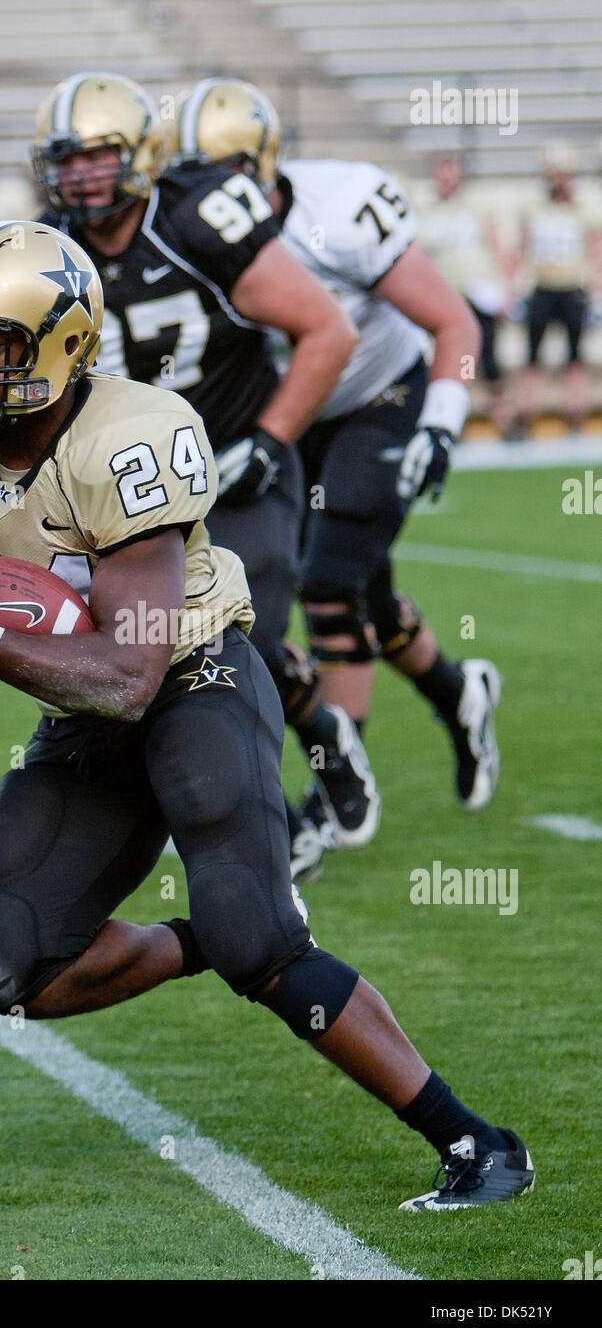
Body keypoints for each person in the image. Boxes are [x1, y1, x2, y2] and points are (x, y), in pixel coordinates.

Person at [0, 218, 534, 1211]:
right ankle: (201, 944)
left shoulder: (129, 436)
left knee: (258, 937)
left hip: (190, 674)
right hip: (85, 701)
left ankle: (474, 1143)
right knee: (12, 960)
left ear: (57, 350)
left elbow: (129, 675)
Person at [32, 72, 376, 878]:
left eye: (98, 155)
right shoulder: (51, 247)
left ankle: (273, 826)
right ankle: (318, 736)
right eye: (65, 159)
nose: (79, 174)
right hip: (134, 496)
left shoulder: (195, 220)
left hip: (235, 466)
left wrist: (268, 438)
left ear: (143, 153)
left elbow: (325, 331)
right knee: (152, 657)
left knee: (221, 648)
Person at [173, 79, 503, 823]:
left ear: (261, 166)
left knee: (327, 586)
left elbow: (455, 322)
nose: (202, 197)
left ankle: (331, 789)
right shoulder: (186, 242)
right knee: (362, 597)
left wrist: (441, 425)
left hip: (381, 398)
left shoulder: (338, 211)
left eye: (217, 175)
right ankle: (460, 694)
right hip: (292, 420)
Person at [416, 155, 513, 437]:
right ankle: (453, 422)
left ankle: (504, 420)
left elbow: (496, 247)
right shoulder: (427, 209)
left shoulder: (476, 207)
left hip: (478, 294)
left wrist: (505, 288)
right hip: (444, 297)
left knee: (489, 360)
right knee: (445, 362)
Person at [515, 147, 601, 436]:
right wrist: (516, 284)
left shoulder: (582, 209)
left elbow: (595, 249)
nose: (558, 179)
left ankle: (576, 417)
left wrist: (596, 286)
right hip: (541, 287)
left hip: (573, 288)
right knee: (532, 355)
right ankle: (526, 416)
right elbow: (521, 248)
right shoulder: (535, 208)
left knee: (575, 355)